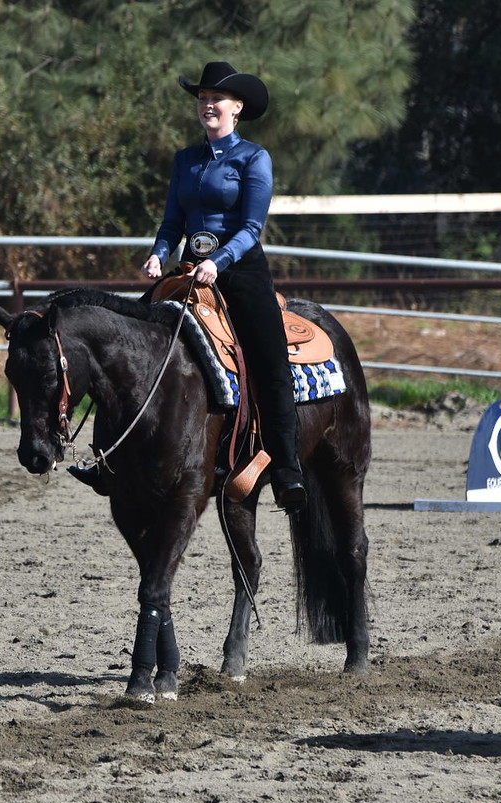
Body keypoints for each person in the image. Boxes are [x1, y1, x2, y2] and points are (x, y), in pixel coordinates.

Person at [137, 60, 305, 510]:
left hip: (241, 269)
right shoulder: (185, 160)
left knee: (270, 360)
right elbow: (173, 220)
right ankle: (116, 455)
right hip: (191, 269)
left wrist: (220, 260)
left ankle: (287, 468)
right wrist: (158, 252)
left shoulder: (254, 158)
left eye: (216, 98)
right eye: (202, 98)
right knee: (131, 337)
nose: (207, 105)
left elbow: (252, 226)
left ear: (237, 107)